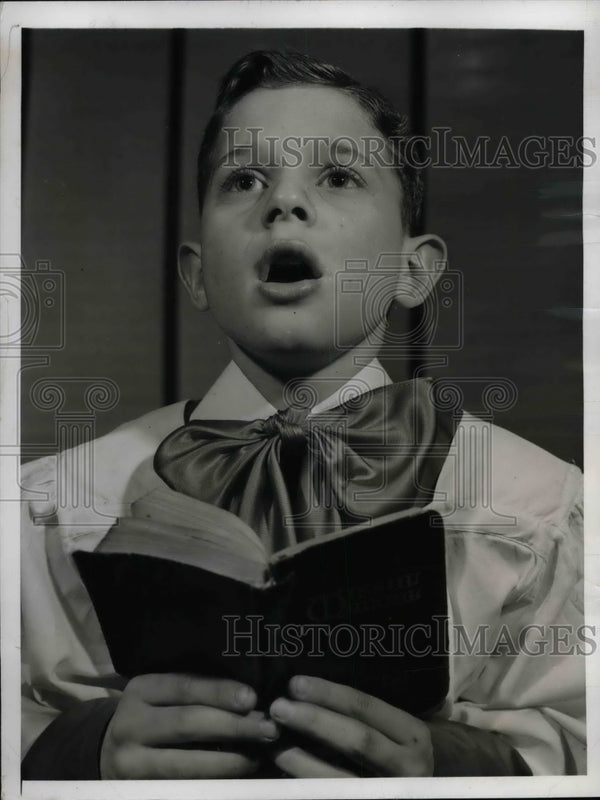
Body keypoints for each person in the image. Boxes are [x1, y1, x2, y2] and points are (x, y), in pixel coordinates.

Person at [20, 50, 585, 779]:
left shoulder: (539, 507)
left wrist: (454, 764)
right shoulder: (45, 509)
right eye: (244, 179)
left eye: (340, 176)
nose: (283, 203)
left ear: (414, 270)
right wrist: (79, 748)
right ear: (197, 276)